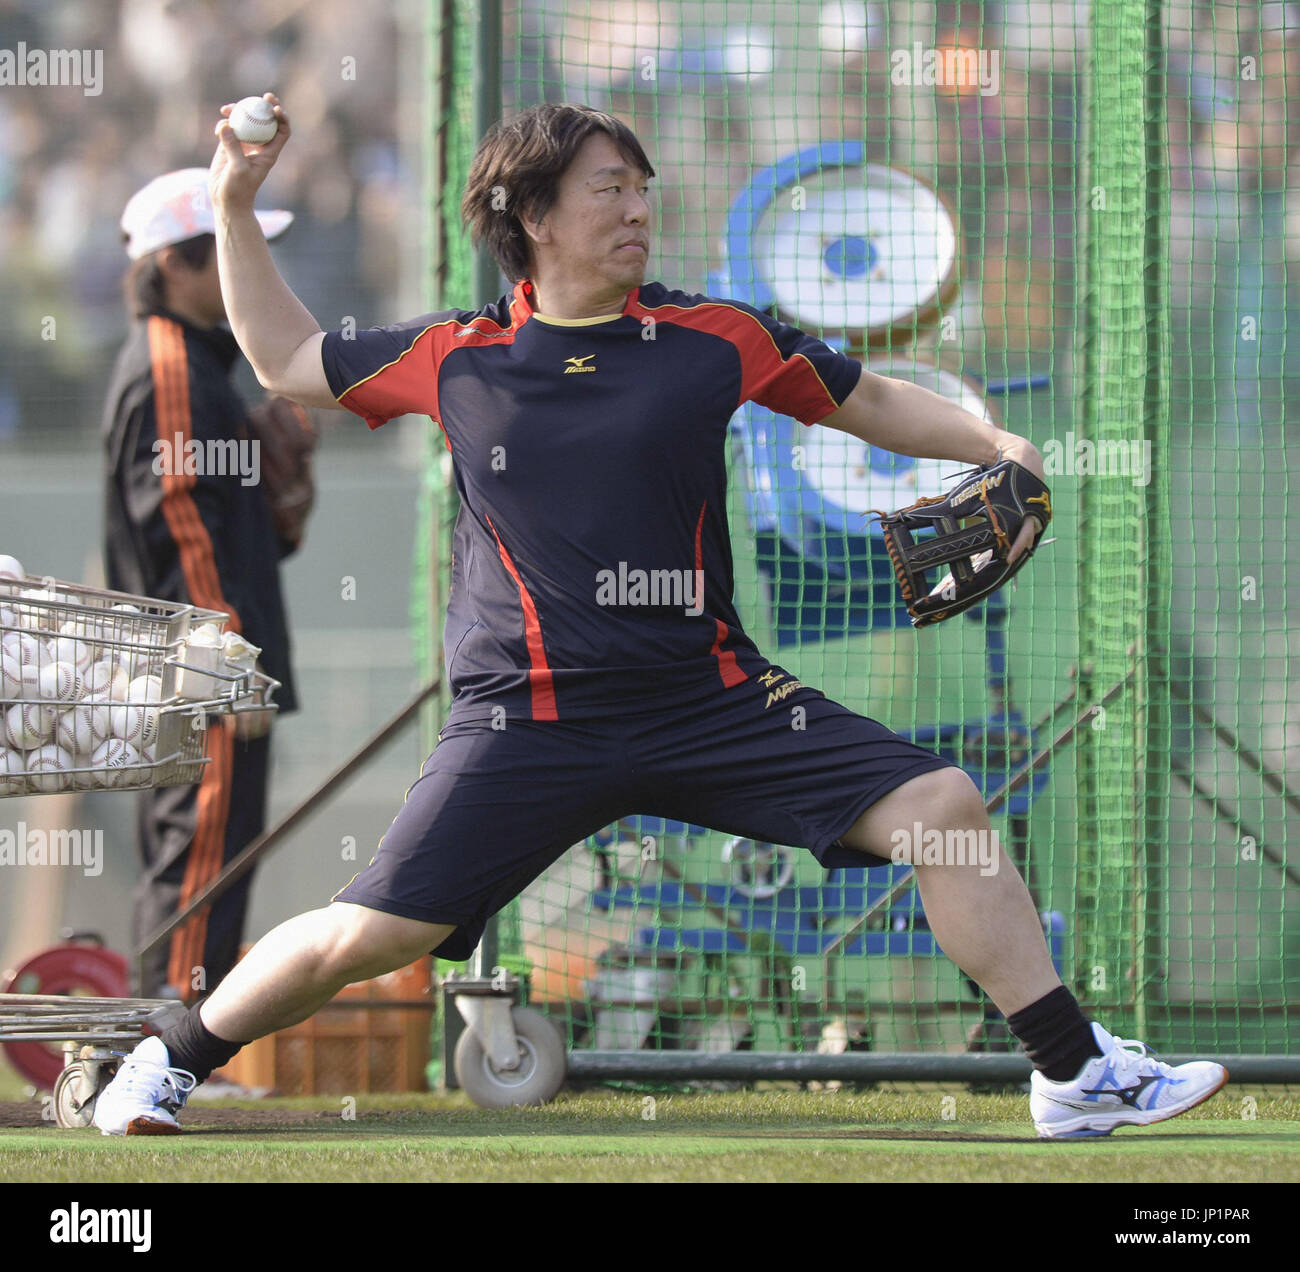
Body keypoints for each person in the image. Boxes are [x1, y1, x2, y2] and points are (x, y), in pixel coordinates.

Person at [94, 98, 1227, 1139]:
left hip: (707, 698)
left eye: (642, 188)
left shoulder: (712, 335)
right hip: (527, 722)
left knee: (941, 806)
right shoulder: (456, 356)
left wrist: (993, 445)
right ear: (529, 214)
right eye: (607, 189)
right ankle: (169, 1061)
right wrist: (237, 202)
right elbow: (288, 357)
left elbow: (865, 399)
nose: (637, 208)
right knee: (371, 936)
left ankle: (1073, 1073)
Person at [102, 168, 305, 1005]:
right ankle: (173, 1037)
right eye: (225, 247)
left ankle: (174, 1031)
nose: (245, 263)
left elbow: (224, 525)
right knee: (203, 848)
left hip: (196, 665)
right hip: (202, 673)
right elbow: (181, 516)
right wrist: (223, 654)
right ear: (181, 265)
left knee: (208, 845)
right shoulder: (174, 367)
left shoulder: (199, 364)